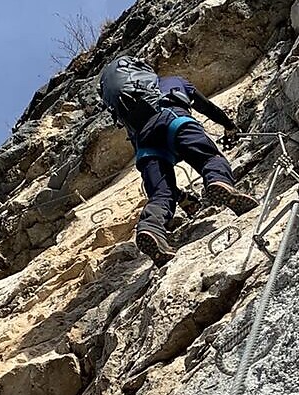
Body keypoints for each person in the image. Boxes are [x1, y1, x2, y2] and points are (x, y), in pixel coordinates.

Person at [99, 56, 259, 266]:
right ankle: (220, 184)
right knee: (209, 159)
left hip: (146, 144)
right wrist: (229, 125)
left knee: (160, 195)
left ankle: (151, 228)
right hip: (174, 120)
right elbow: (206, 106)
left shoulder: (130, 109)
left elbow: (160, 181)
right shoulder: (173, 81)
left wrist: (182, 197)